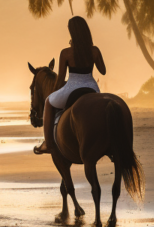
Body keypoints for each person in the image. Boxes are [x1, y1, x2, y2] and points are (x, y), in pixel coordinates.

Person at [34, 16, 106, 155]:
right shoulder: (94, 50)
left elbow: (60, 79)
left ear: (72, 32)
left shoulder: (66, 52)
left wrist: (54, 91)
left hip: (72, 86)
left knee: (49, 102)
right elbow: (103, 71)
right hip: (92, 88)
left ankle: (48, 144)